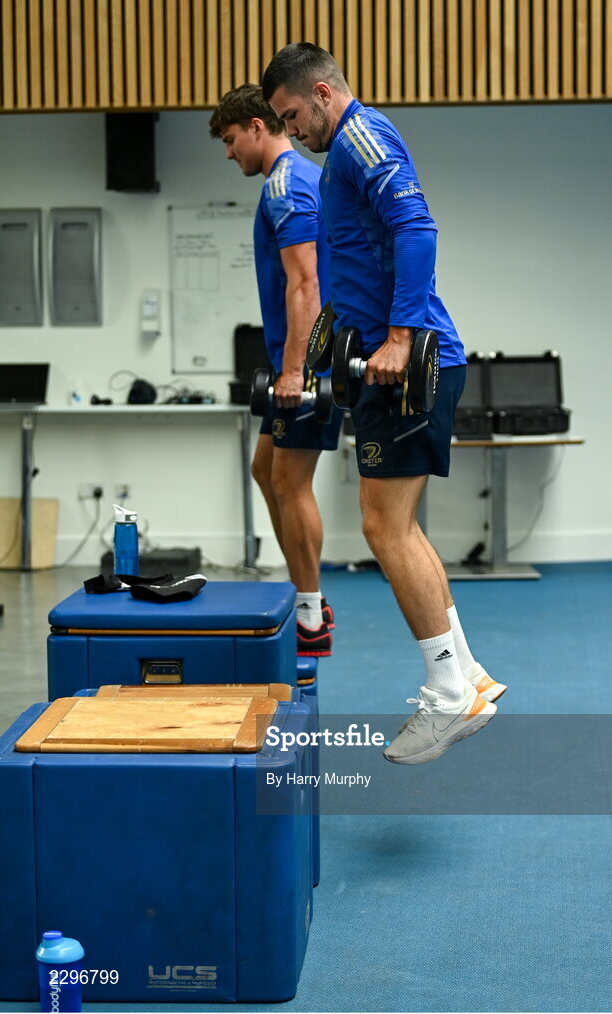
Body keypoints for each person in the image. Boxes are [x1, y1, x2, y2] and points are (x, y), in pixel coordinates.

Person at [262, 44, 506, 762]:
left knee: (383, 529)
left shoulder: (362, 137)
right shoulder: (339, 157)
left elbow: (416, 229)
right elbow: (360, 262)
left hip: (405, 364)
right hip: (382, 366)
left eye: (291, 114)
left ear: (323, 90)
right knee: (397, 527)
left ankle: (446, 695)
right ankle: (466, 674)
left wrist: (398, 335)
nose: (291, 129)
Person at [210, 84, 344, 657]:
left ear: (259, 128)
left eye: (231, 138)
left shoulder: (288, 183)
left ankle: (310, 614)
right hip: (301, 355)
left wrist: (296, 372)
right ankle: (304, 590)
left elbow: (305, 281)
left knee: (290, 481)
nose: (228, 152)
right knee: (265, 470)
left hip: (309, 361)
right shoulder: (294, 181)